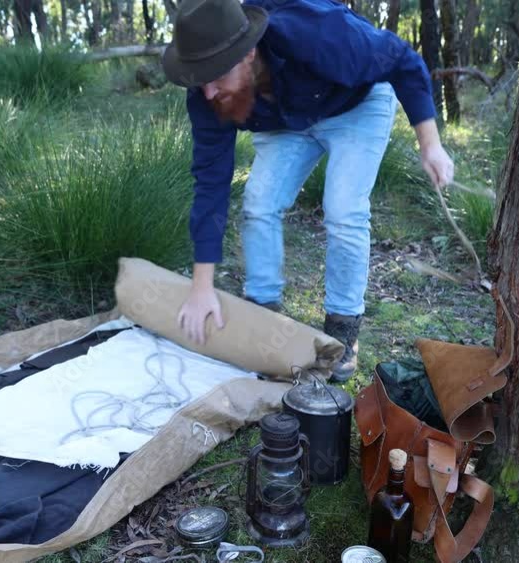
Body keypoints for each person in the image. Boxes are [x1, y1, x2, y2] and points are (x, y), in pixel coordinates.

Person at [162, 0, 454, 382]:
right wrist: (202, 287)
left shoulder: (315, 33)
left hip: (355, 106)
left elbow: (402, 58)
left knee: (344, 209)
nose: (209, 92)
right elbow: (211, 184)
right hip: (286, 122)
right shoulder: (208, 93)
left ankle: (342, 332)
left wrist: (430, 144)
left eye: (217, 76)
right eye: (200, 79)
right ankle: (263, 317)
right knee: (259, 203)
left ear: (248, 54)